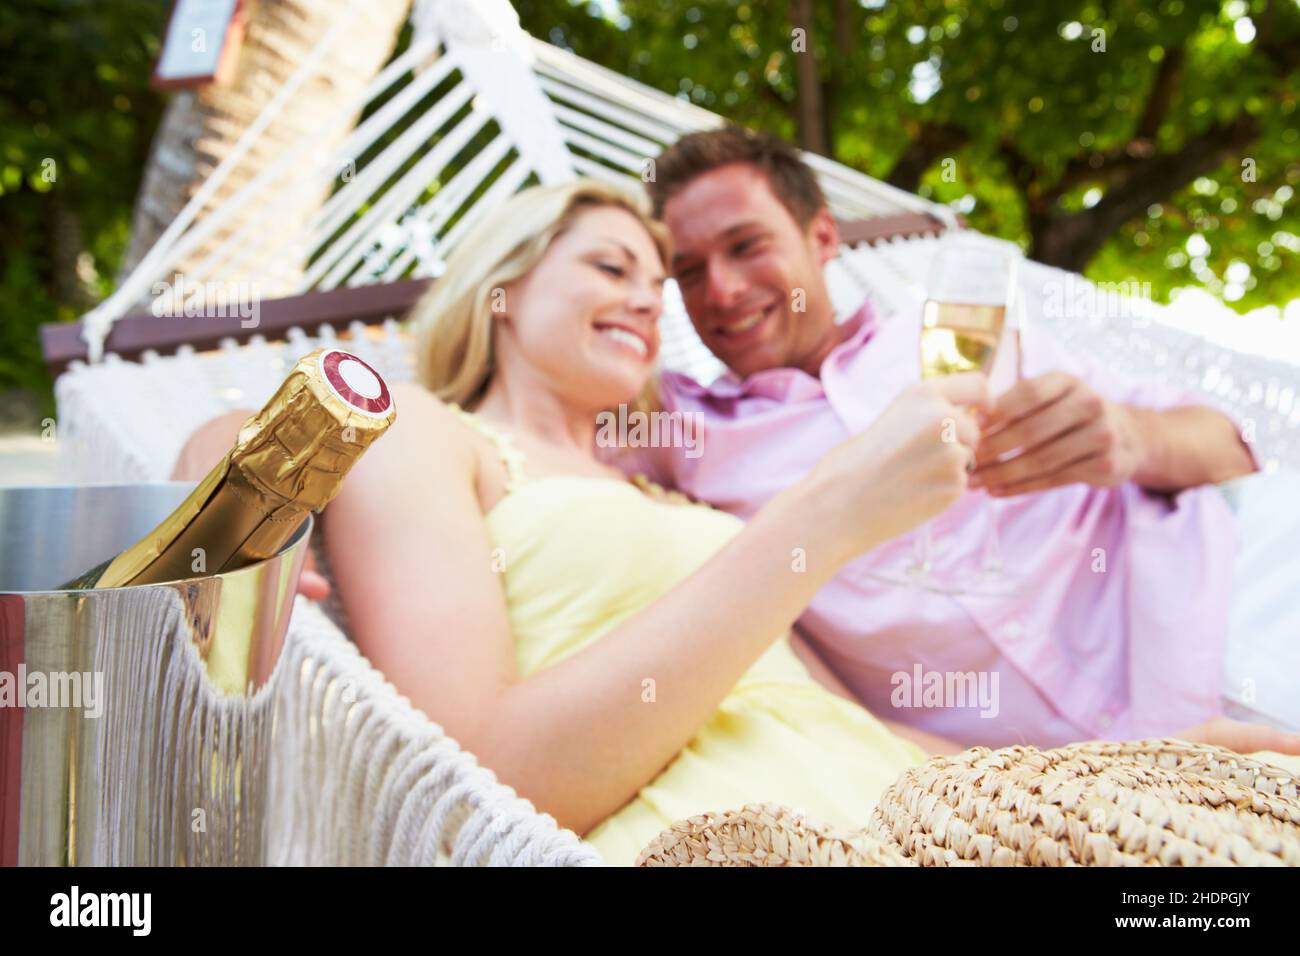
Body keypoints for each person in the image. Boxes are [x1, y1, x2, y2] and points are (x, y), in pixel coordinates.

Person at [173, 178, 998, 865]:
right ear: (504, 287)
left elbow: (838, 714)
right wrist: (827, 515)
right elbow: (478, 780)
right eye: (611, 267)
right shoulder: (422, 429)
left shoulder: (670, 490)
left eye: (656, 287)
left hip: (925, 820)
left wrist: (1057, 775)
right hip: (738, 835)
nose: (647, 301)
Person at [623, 124, 1300, 753]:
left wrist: (1131, 437)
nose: (724, 289)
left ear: (822, 236)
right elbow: (533, 417)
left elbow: (1232, 446)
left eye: (746, 246)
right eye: (688, 270)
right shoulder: (683, 432)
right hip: (1092, 784)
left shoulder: (955, 331)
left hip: (1239, 597)